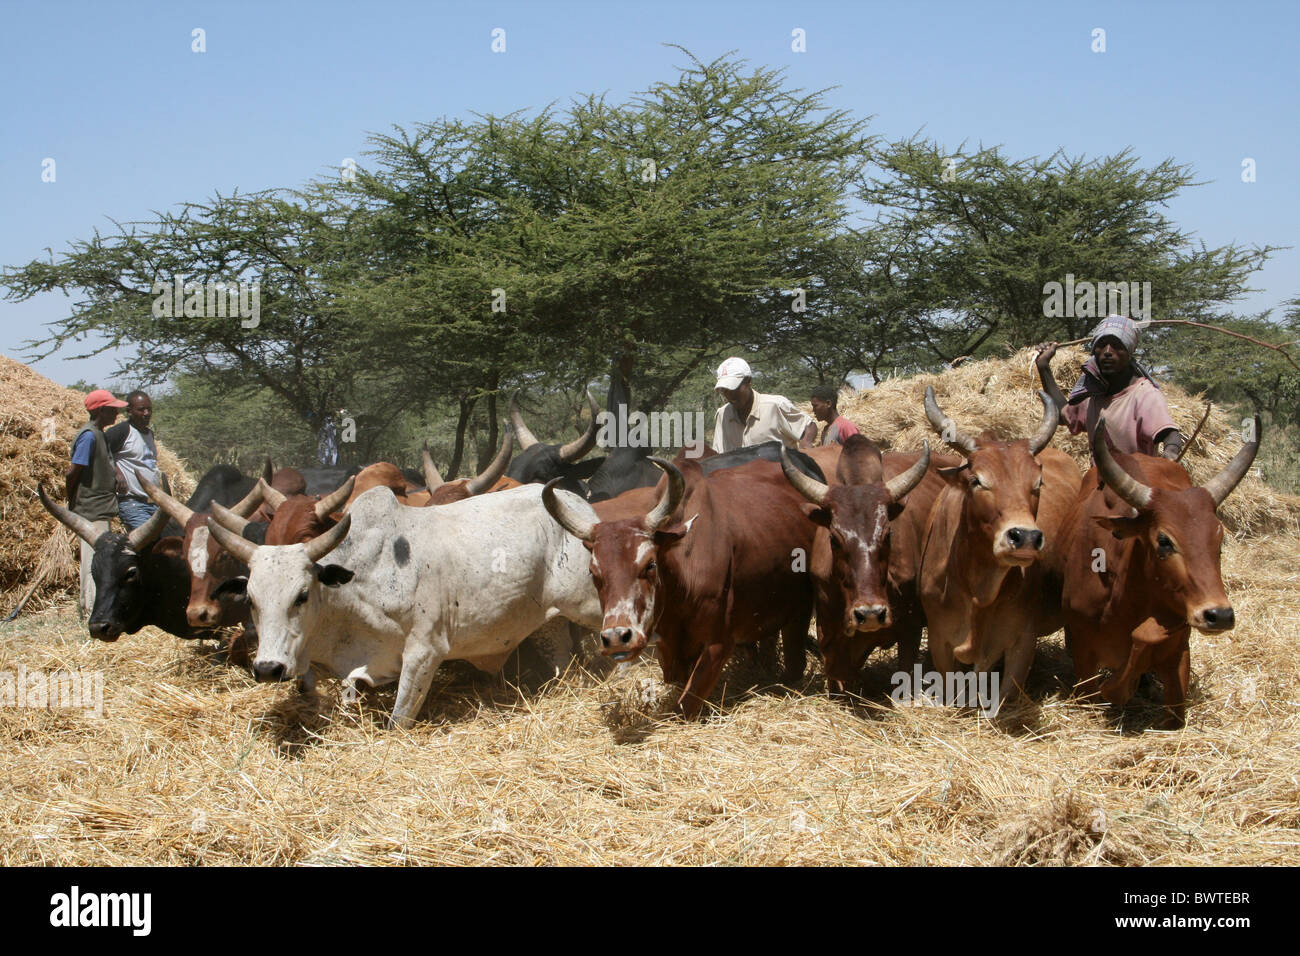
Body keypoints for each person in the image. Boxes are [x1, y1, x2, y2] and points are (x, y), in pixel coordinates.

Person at [1037, 315, 1184, 460]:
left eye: (1117, 345)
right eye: (1101, 345)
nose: (1107, 351)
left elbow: (1170, 434)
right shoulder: (1093, 395)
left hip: (1137, 482)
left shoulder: (1144, 395)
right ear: (1094, 351)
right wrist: (1043, 366)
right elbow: (1062, 416)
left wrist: (1170, 452)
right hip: (1099, 482)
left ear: (1129, 352)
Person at [66, 389, 127, 619]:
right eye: (112, 409)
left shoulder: (99, 435)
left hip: (100, 508)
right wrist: (72, 500)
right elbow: (73, 472)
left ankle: (90, 607)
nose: (116, 414)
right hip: (91, 509)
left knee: (96, 558)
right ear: (101, 410)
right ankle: (92, 610)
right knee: (94, 561)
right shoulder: (89, 436)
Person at [711, 357, 817, 453]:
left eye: (734, 389)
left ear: (748, 381)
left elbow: (808, 425)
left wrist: (806, 445)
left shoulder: (775, 406)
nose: (729, 395)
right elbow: (718, 452)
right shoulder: (723, 414)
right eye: (724, 390)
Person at [105, 390, 161, 531]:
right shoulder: (122, 431)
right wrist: (116, 473)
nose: (146, 413)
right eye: (141, 410)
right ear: (129, 411)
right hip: (133, 503)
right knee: (147, 544)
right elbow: (100, 451)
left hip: (154, 503)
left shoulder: (149, 434)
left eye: (149, 409)